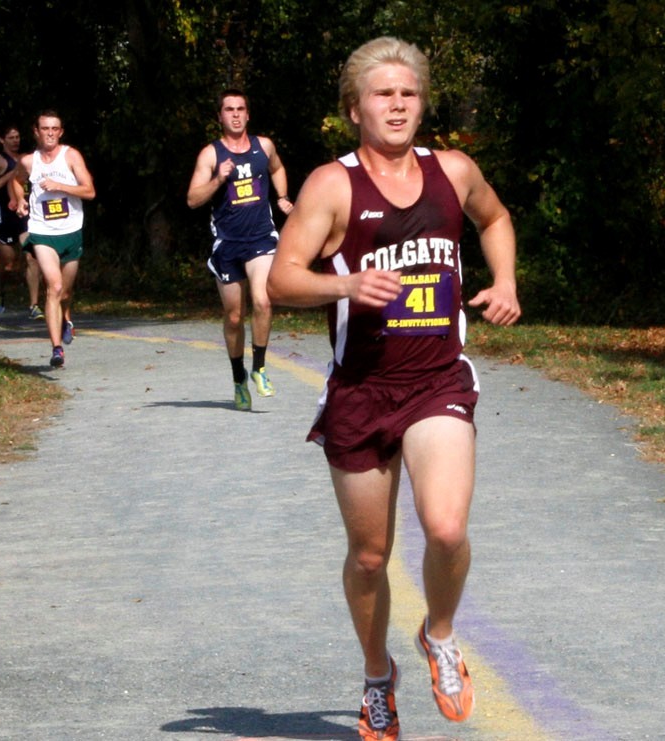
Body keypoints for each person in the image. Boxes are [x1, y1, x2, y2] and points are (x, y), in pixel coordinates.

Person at [267, 37, 522, 741]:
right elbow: (283, 277)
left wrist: (504, 281)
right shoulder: (332, 185)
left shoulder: (455, 171)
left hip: (437, 379)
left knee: (446, 527)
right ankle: (378, 676)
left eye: (408, 93)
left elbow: (495, 218)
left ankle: (439, 634)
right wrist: (344, 282)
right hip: (361, 389)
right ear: (355, 108)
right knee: (371, 555)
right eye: (383, 93)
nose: (398, 104)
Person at [186, 88, 295, 411]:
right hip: (227, 244)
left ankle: (260, 367)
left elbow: (276, 168)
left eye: (240, 109)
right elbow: (193, 199)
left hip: (262, 238)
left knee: (262, 300)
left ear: (248, 114)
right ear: (220, 116)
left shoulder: (264, 147)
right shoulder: (211, 155)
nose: (235, 114)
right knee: (234, 317)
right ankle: (239, 379)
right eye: (228, 109)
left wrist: (282, 196)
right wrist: (219, 179)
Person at [10, 109, 95, 368]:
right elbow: (15, 181)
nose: (50, 133)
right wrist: (20, 198)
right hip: (42, 232)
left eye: (54, 129)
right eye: (45, 128)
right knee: (54, 287)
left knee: (65, 291)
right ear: (36, 132)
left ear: (60, 132)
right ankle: (57, 348)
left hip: (71, 231)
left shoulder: (71, 156)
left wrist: (60, 186)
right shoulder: (28, 161)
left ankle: (66, 317)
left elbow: (89, 191)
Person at [0, 124, 43, 318]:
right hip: (4, 214)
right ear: (2, 140)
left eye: (17, 137)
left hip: (25, 214)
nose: (15, 141)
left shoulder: (26, 159)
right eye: (11, 137)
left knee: (32, 257)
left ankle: (34, 305)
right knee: (8, 263)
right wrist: (11, 174)